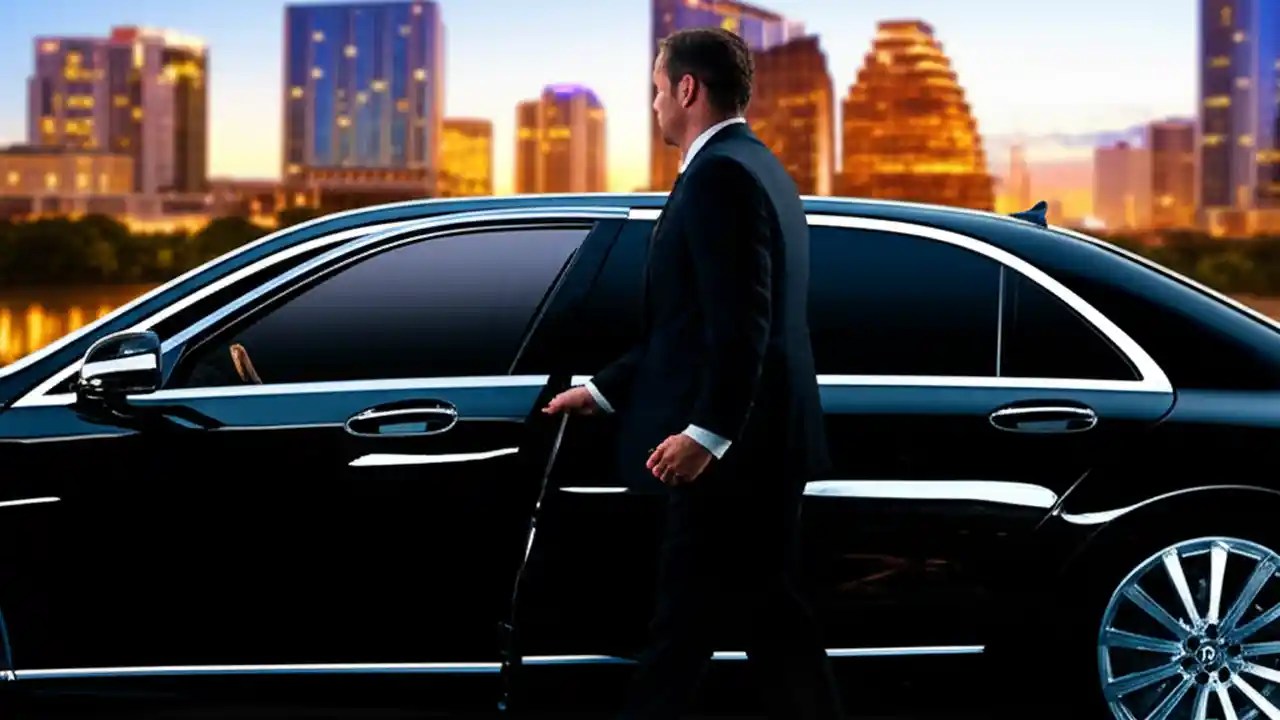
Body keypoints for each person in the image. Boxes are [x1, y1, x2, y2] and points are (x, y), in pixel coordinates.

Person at [541, 26, 843, 720]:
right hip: (760, 449)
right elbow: (691, 324)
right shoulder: (757, 165)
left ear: (687, 88)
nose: (652, 105)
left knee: (684, 632)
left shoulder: (722, 177)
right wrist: (602, 389)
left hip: (731, 461)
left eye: (655, 88)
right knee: (773, 625)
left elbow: (743, 323)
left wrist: (705, 435)